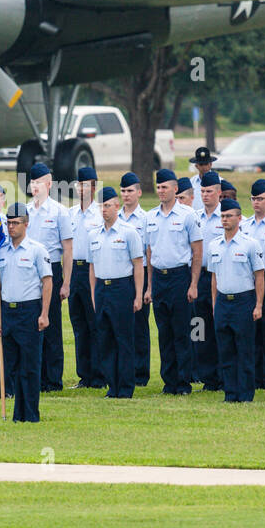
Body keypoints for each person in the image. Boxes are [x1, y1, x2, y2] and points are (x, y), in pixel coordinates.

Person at [0, 203, 52, 422]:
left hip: (29, 311)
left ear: (26, 224)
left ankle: (31, 414)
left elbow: (47, 282)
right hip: (7, 311)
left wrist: (44, 313)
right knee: (13, 366)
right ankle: (18, 414)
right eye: (8, 223)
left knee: (30, 366)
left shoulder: (36, 250)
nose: (11, 227)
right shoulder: (1, 251)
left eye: (15, 223)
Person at [145, 167, 202, 396]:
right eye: (158, 187)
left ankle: (183, 382)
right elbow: (150, 253)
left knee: (181, 332)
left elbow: (197, 251)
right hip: (159, 278)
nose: (161, 191)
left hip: (180, 276)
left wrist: (194, 284)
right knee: (164, 332)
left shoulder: (188, 216)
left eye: (165, 187)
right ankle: (169, 382)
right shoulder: (150, 217)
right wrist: (149, 286)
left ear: (175, 188)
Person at [207, 197, 265, 403]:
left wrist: (258, 304)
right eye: (222, 216)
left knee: (245, 350)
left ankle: (246, 393)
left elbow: (259, 275)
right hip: (223, 301)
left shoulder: (251, 244)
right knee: (225, 350)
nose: (225, 220)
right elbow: (214, 277)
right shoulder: (214, 245)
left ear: (239, 218)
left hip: (244, 301)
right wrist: (215, 304)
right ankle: (230, 393)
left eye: (229, 216)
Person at [88, 186, 144, 398]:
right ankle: (112, 385)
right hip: (102, 288)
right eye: (101, 206)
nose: (104, 210)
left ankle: (126, 387)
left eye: (108, 205)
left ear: (117, 207)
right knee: (105, 339)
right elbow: (92, 268)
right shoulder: (94, 234)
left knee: (124, 339)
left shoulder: (128, 232)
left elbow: (138, 265)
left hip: (122, 287)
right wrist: (94, 294)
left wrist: (138, 295)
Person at [26, 163, 71, 391]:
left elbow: (67, 248)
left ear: (49, 184)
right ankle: (35, 375)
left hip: (51, 271)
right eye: (32, 182)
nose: (35, 186)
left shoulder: (59, 211)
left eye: (39, 182)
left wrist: (67, 282)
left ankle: (52, 380)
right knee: (31, 325)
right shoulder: (25, 211)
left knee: (51, 325)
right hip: (28, 271)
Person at [67, 166, 105, 388]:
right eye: (79, 185)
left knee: (95, 322)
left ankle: (99, 374)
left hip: (93, 270)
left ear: (94, 187)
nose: (82, 189)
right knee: (79, 324)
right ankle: (84, 374)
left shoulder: (100, 212)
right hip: (74, 271)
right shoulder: (70, 214)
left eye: (86, 185)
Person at [242, 179, 265, 391]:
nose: (256, 203)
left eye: (261, 199)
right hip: (249, 284)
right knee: (251, 334)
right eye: (253, 199)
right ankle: (255, 376)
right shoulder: (245, 226)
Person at [118, 172, 151, 386]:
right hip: (121, 276)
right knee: (120, 325)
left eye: (130, 191)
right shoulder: (115, 216)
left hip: (140, 274)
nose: (126, 195)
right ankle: (124, 369)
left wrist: (148, 288)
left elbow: (149, 251)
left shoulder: (146, 219)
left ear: (139, 192)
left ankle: (140, 372)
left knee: (139, 326)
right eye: (123, 191)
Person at [192, 170, 224, 391]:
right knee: (200, 327)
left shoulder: (227, 216)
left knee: (220, 326)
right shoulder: (195, 218)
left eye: (209, 191)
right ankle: (208, 376)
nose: (205, 195)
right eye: (202, 191)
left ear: (219, 193)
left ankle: (223, 374)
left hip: (221, 276)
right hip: (200, 276)